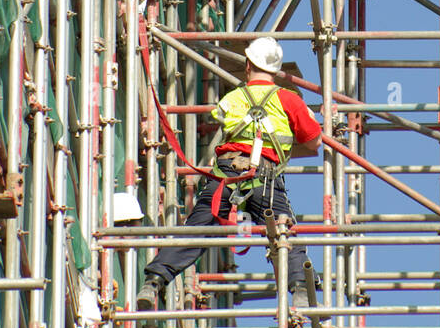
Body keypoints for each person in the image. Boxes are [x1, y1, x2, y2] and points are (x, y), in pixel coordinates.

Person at [137, 36, 321, 312]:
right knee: (283, 233)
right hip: (265, 180)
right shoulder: (289, 100)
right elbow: (314, 141)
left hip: (225, 177)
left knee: (196, 231)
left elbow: (219, 117)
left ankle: (153, 282)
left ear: (248, 65)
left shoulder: (231, 99)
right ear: (275, 70)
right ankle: (301, 290)